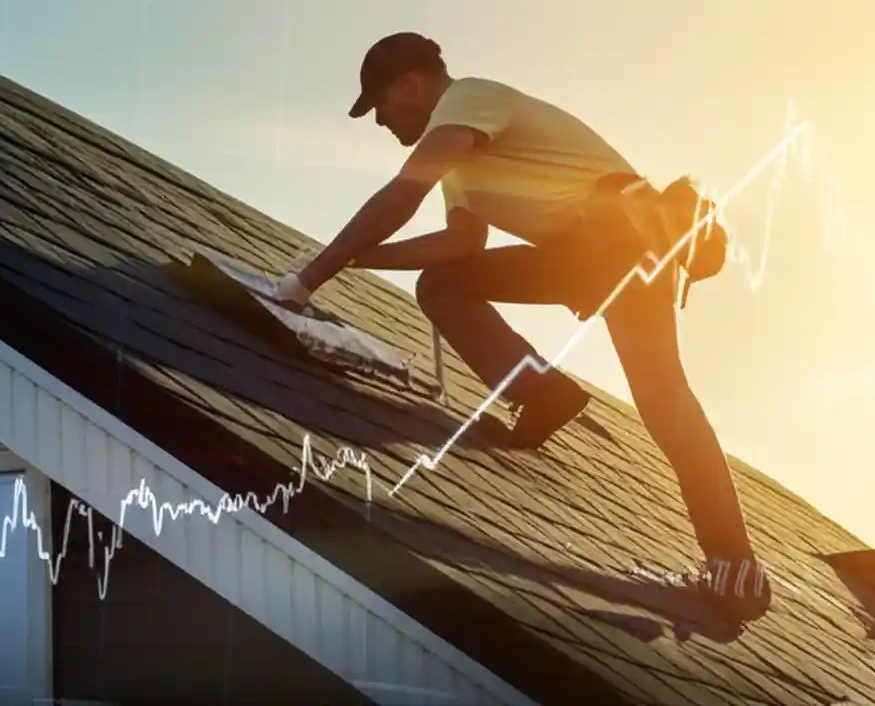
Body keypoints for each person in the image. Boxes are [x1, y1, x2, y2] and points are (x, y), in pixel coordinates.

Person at [271, 32, 769, 622]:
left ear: (409, 83)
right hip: (575, 258)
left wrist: (305, 281)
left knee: (663, 400)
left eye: (379, 106)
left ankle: (736, 566)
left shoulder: (471, 101)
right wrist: (362, 256)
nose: (380, 122)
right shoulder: (461, 154)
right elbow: (459, 244)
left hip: (622, 245)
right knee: (443, 283)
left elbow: (403, 196)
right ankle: (542, 393)